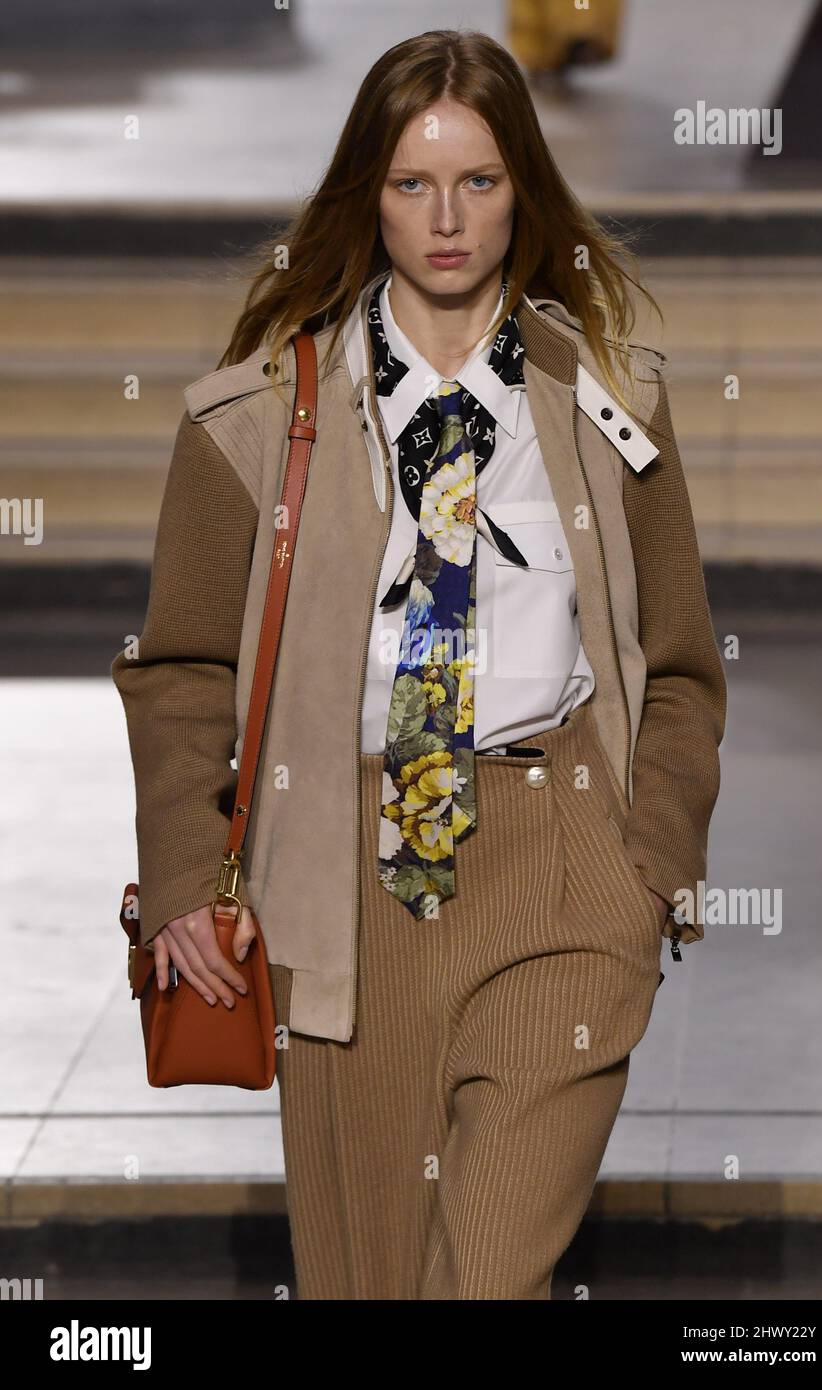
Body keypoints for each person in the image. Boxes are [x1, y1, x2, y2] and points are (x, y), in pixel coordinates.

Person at [111, 28, 726, 1300]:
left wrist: (648, 865)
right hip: (345, 887)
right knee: (370, 1282)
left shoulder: (610, 402)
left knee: (486, 1272)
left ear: (524, 191)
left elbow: (676, 662)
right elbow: (178, 665)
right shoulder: (250, 422)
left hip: (563, 875)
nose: (446, 220)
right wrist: (183, 872)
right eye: (411, 184)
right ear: (366, 196)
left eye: (480, 182)